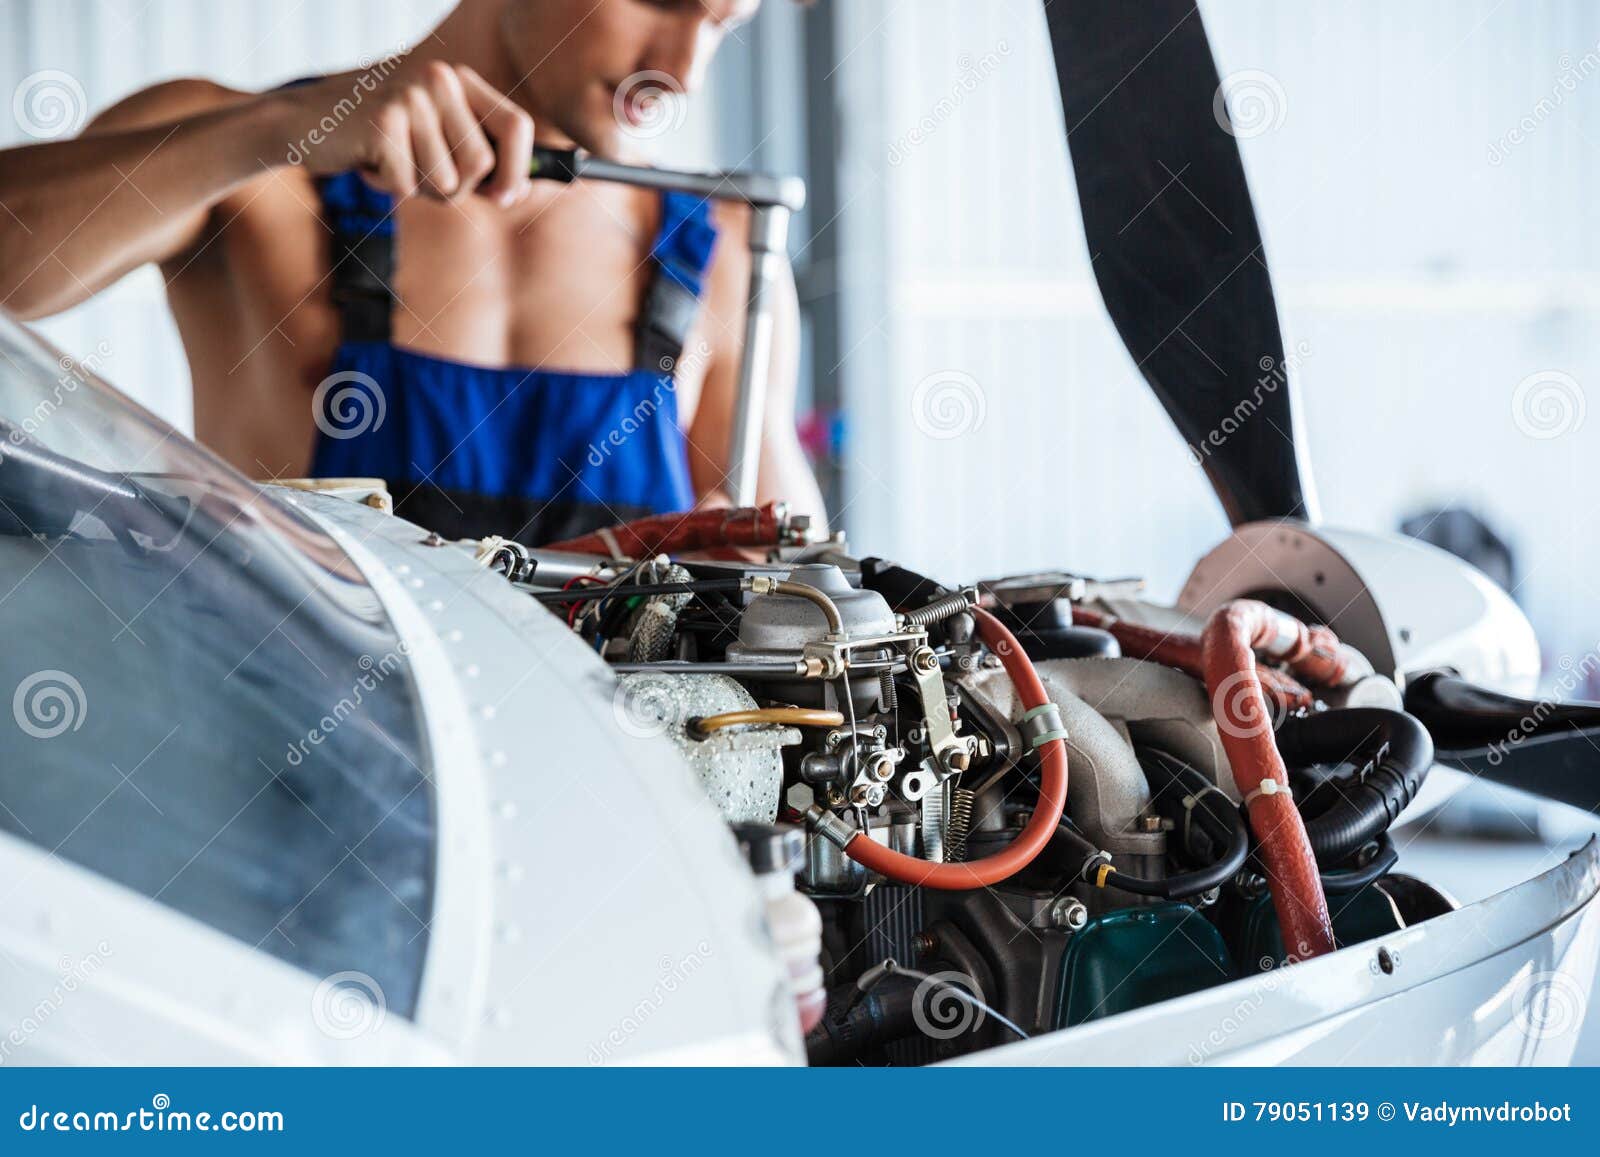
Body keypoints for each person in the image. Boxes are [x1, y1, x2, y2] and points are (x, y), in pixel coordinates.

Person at [0, 0, 824, 545]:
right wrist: (279, 128)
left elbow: (795, 582)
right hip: (286, 793)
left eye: (722, 22)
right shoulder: (254, 165)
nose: (682, 70)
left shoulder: (723, 247)